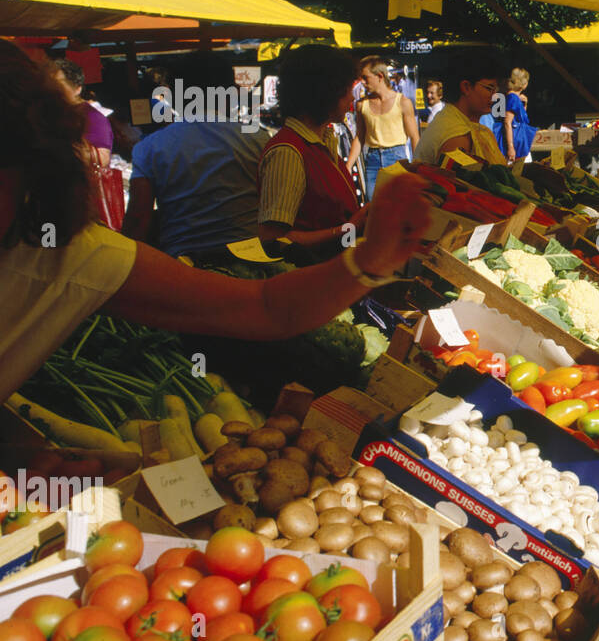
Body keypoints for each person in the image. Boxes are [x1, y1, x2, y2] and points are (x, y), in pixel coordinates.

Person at [0, 37, 434, 404]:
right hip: (240, 274)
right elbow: (265, 280)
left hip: (193, 277)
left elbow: (140, 230)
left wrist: (370, 257)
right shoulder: (260, 140)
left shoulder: (149, 156)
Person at [121, 51, 268, 259]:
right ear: (232, 93)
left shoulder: (150, 148)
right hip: (253, 265)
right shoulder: (259, 140)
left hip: (184, 270)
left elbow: (138, 220)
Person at [258, 45, 367, 258]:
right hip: (310, 281)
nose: (351, 100)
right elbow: (274, 240)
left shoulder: (321, 142)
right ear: (327, 93)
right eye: (346, 91)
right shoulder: (288, 152)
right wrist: (348, 229)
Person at [412, 50, 507, 166]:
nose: (494, 96)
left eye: (495, 90)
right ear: (466, 87)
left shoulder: (452, 121)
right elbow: (464, 183)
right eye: (489, 88)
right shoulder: (457, 137)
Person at [346, 56, 420, 200]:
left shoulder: (403, 102)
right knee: (372, 209)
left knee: (399, 207)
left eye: (365, 77)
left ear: (380, 76)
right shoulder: (362, 104)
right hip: (372, 161)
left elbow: (414, 136)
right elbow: (360, 137)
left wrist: (418, 165)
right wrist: (348, 165)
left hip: (397, 159)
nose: (362, 82)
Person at [51, 59, 111, 168]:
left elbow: (102, 159)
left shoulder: (92, 117)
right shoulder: (49, 113)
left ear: (78, 88)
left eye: (59, 84)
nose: (52, 89)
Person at [500, 67, 537, 163]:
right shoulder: (513, 98)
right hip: (516, 146)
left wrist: (524, 104)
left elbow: (520, 118)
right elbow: (507, 122)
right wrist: (511, 147)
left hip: (518, 143)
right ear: (524, 84)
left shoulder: (514, 98)